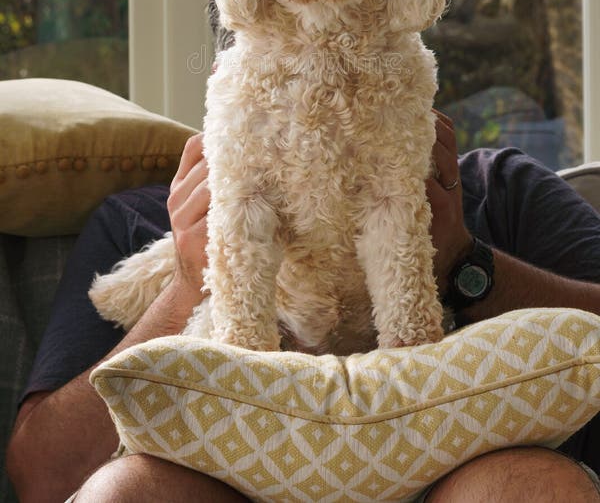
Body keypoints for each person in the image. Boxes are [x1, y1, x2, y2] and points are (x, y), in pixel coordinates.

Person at [6, 113, 600, 502]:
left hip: (461, 481)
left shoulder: (499, 190)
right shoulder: (144, 220)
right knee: (125, 492)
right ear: (230, 76)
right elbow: (44, 475)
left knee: (529, 487)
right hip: (222, 488)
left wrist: (462, 262)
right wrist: (194, 278)